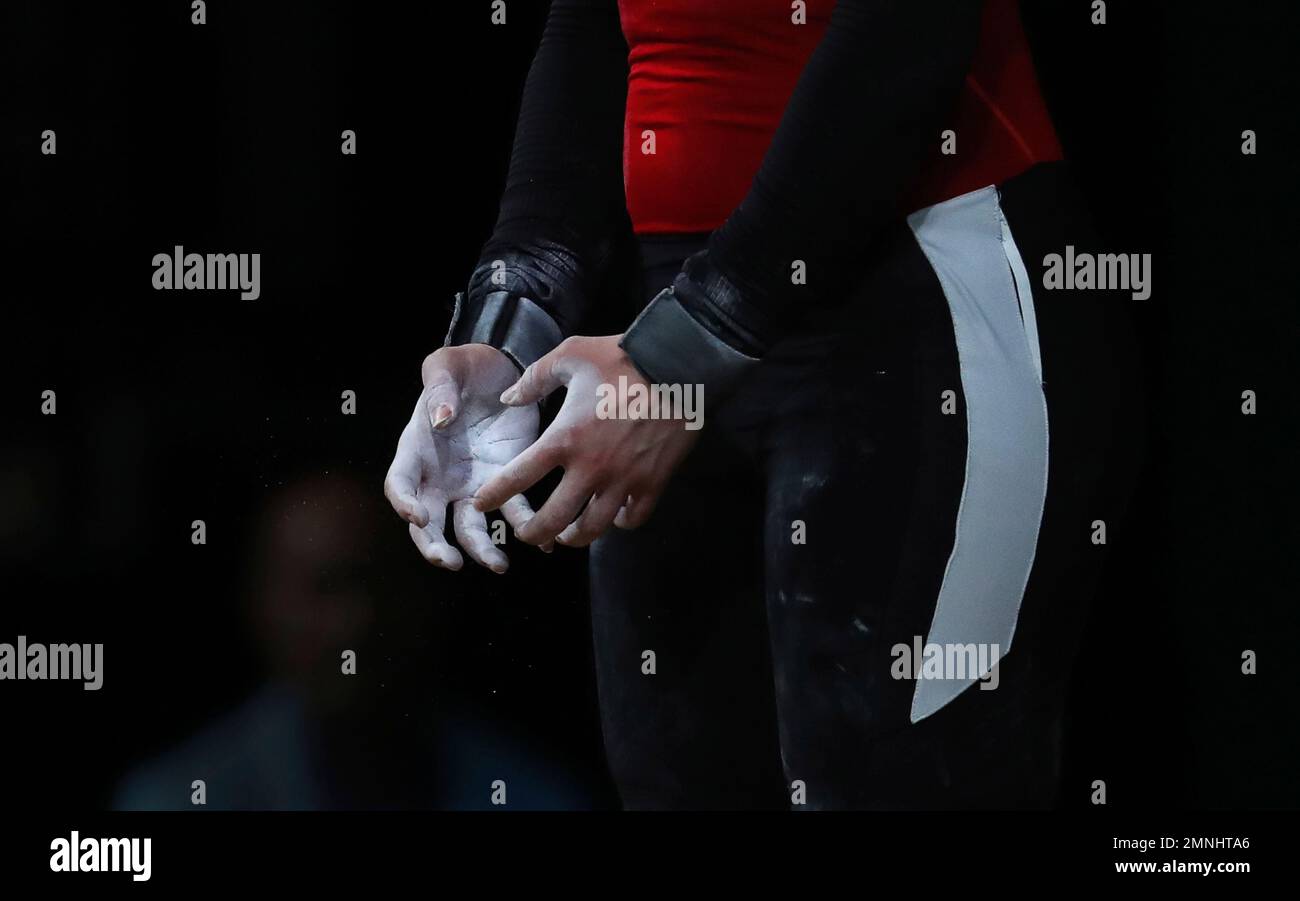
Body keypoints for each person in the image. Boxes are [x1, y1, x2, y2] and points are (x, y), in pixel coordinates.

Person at [385, 0, 1142, 809]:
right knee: (677, 783)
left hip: (931, 292)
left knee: (896, 785)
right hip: (676, 310)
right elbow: (590, 29)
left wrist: (694, 338)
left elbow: (908, 27)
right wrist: (511, 324)